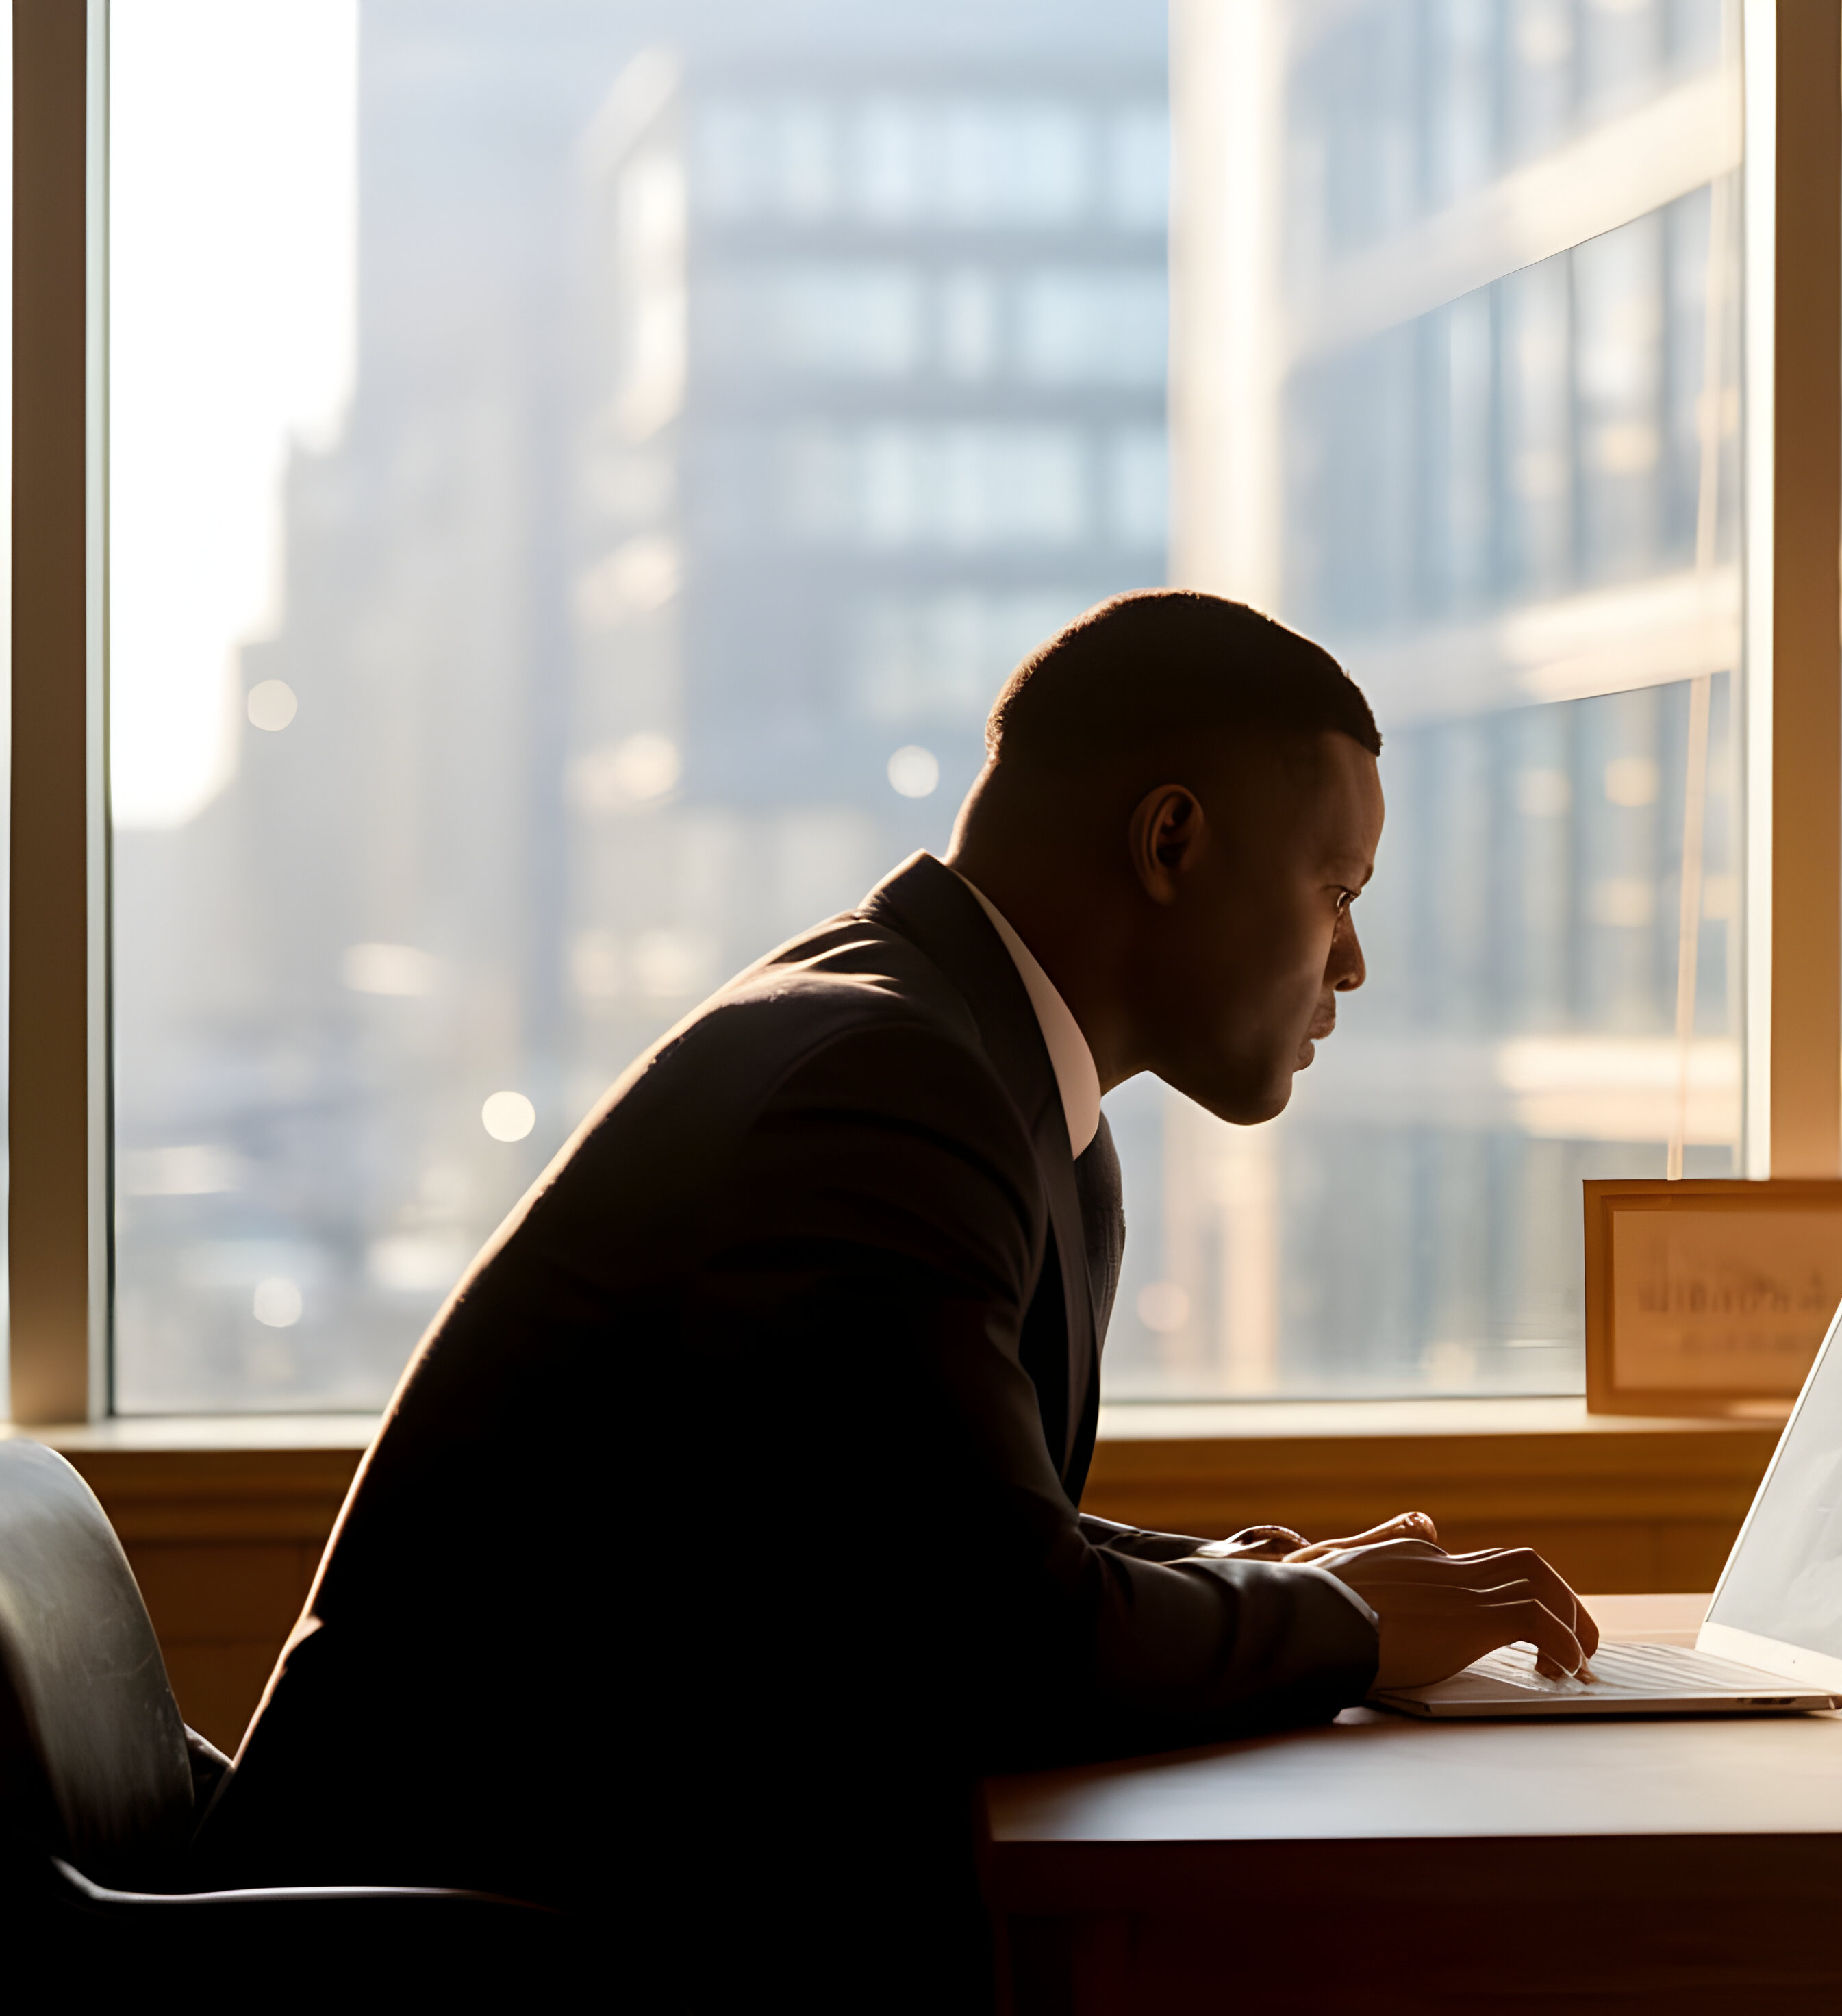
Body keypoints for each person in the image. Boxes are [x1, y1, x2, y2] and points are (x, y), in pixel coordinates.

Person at [201, 591, 1600, 2006]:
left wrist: (1248, 1583)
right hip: (437, 1962)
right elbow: (998, 1633)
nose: (1353, 961)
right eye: (1338, 889)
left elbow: (915, 1530)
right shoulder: (887, 1086)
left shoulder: (955, 1064)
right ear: (1170, 840)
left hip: (584, 1900)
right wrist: (1335, 1623)